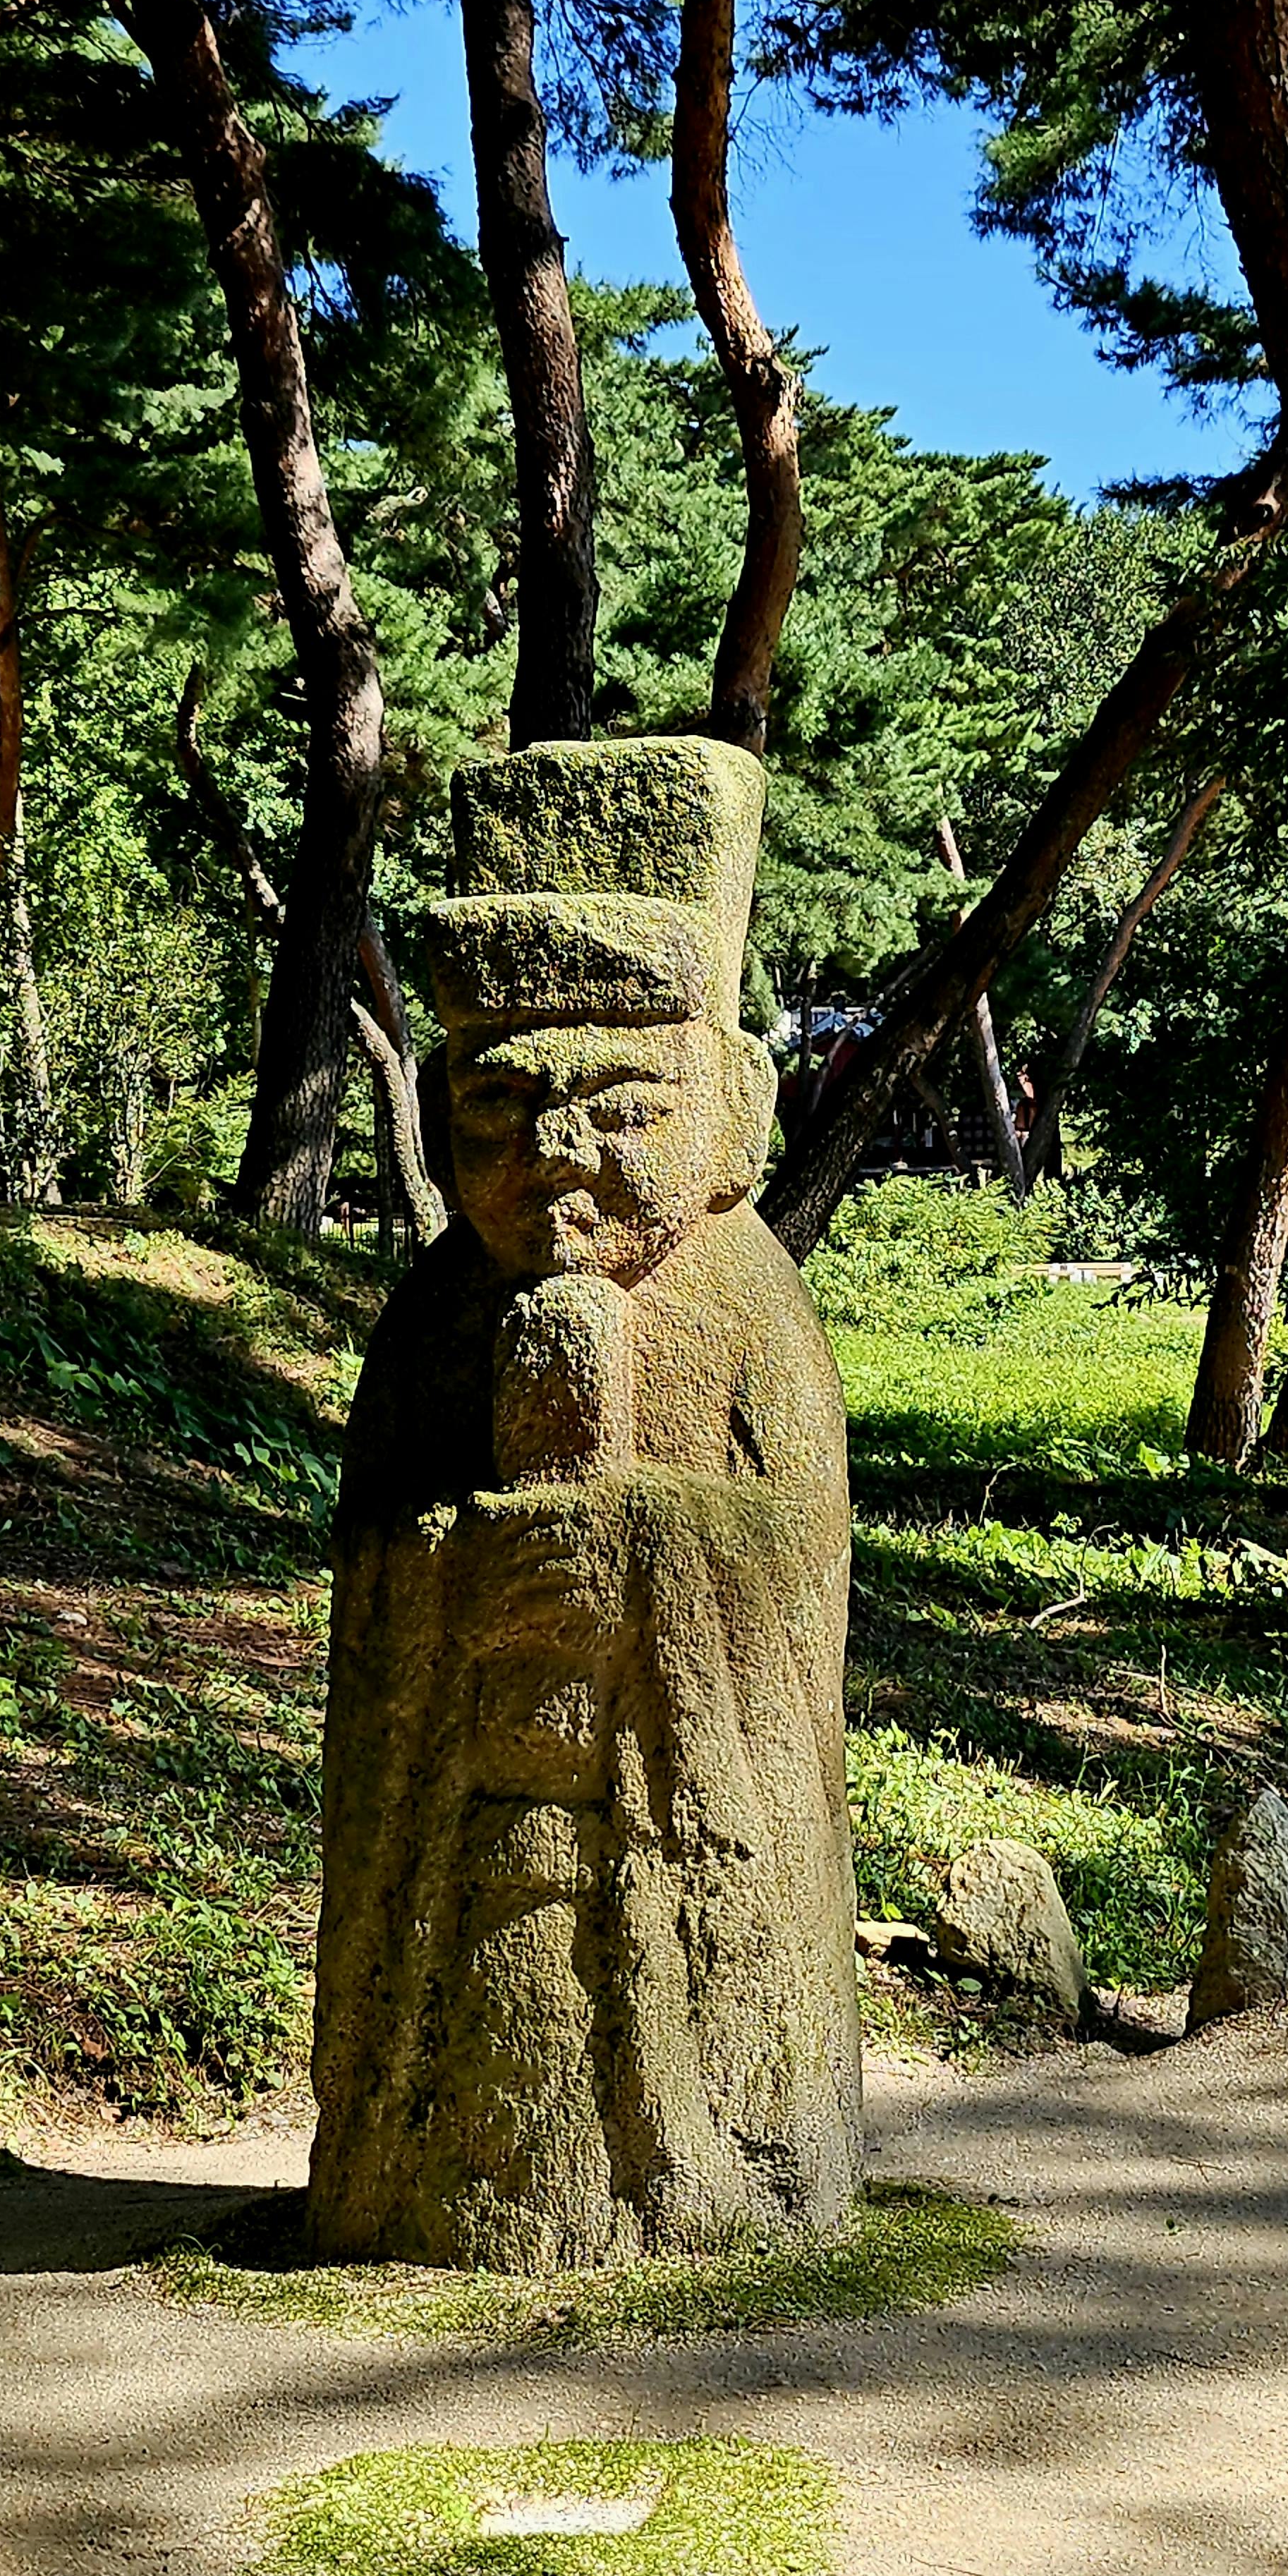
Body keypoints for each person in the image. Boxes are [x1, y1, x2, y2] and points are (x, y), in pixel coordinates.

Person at [307, 737, 861, 2274]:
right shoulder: (436, 1322)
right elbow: (372, 1568)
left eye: (621, 1107)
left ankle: (732, 2169)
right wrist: (454, 1564)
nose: (555, 1156)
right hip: (469, 1805)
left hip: (671, 1812)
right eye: (497, 1105)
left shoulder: (745, 1308)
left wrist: (652, 1547)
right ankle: (401, 2173)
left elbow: (802, 1570)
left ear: (734, 1106)